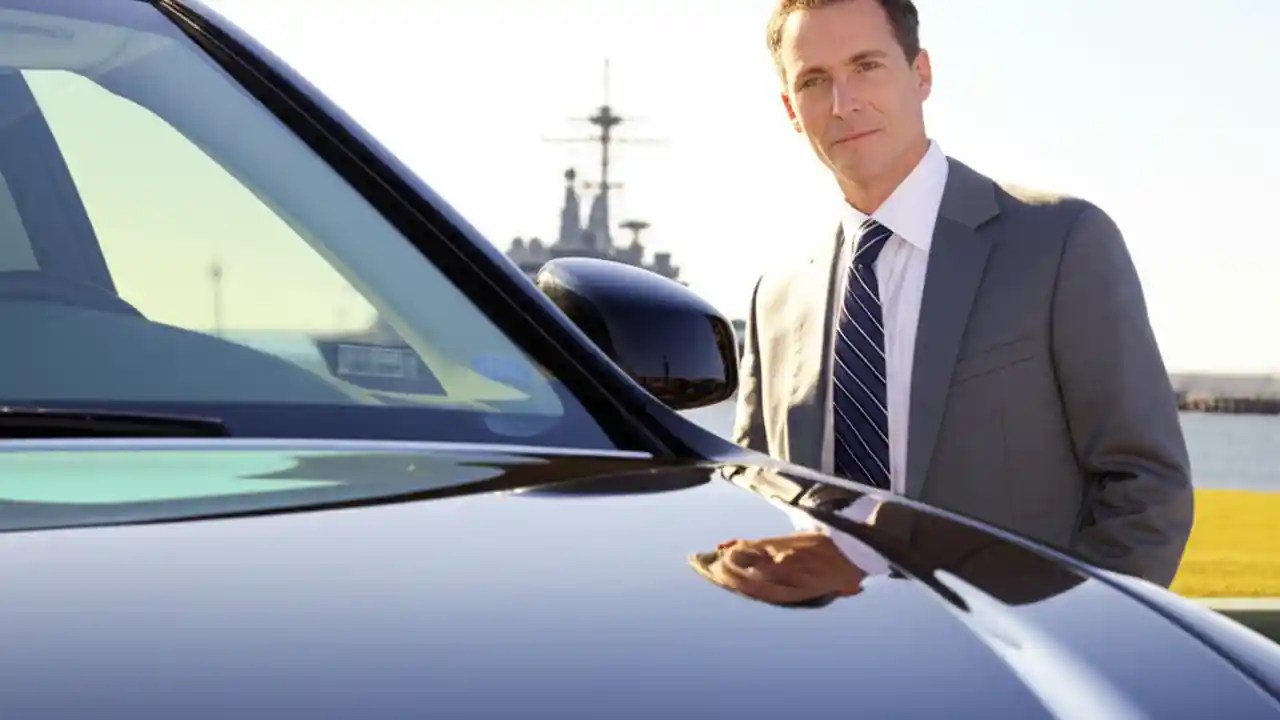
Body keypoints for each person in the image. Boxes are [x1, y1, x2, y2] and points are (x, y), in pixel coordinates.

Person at [731, 0, 1193, 587]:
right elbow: (752, 493)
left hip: (1010, 661)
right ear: (791, 110)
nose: (844, 103)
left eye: (866, 66)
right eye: (814, 81)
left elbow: (1146, 486)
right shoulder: (775, 296)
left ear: (920, 74)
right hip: (825, 662)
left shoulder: (1058, 243)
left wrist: (1084, 642)